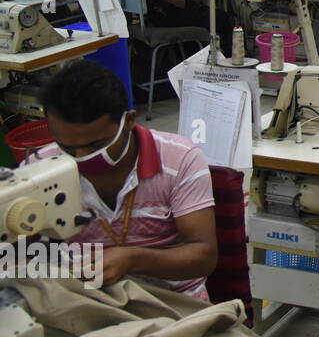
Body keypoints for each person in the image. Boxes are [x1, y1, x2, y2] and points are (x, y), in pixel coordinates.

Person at [31, 60, 218, 299]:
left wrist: (134, 259)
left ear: (128, 121)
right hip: (86, 299)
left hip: (173, 302)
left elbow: (204, 256)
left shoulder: (180, 159)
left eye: (95, 146)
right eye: (67, 147)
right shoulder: (42, 168)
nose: (80, 159)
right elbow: (24, 250)